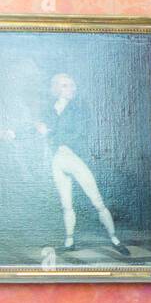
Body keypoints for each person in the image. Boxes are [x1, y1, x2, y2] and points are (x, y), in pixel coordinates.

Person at [1, 73, 131, 258]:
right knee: (66, 205)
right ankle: (69, 241)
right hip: (58, 162)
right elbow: (35, 128)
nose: (71, 88)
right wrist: (13, 133)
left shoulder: (79, 109)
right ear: (56, 88)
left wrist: (48, 132)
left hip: (75, 159)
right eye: (65, 85)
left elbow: (80, 133)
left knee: (98, 202)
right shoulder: (49, 110)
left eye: (72, 85)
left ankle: (114, 239)